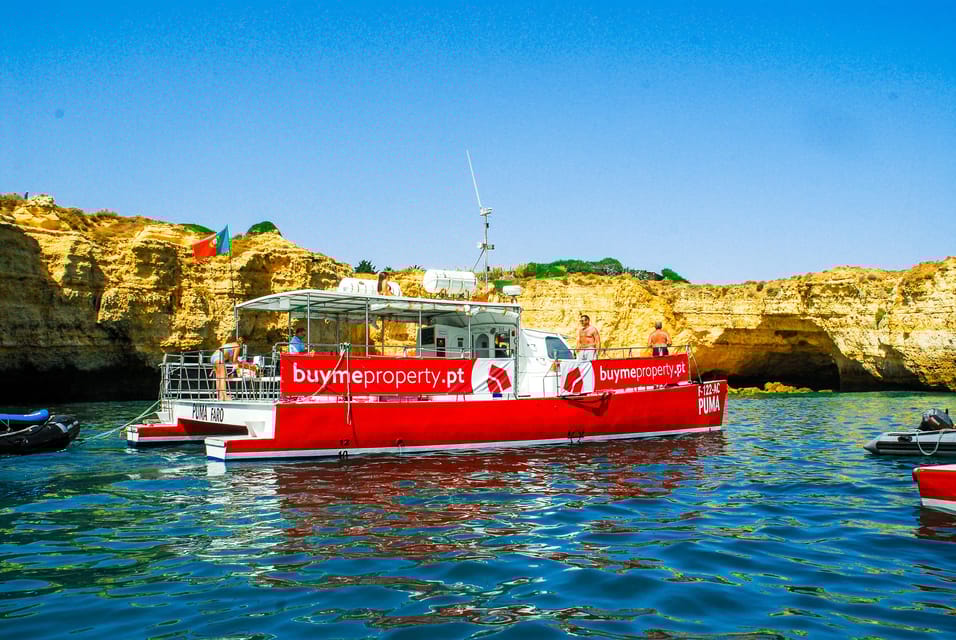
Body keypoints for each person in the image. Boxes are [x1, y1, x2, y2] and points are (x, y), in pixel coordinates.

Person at [210, 335, 247, 400]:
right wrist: (242, 364)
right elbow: (234, 360)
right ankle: (224, 397)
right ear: (242, 344)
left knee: (218, 378)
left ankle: (220, 396)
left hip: (213, 357)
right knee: (222, 378)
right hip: (219, 357)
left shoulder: (230, 345)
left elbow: (230, 359)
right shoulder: (237, 346)